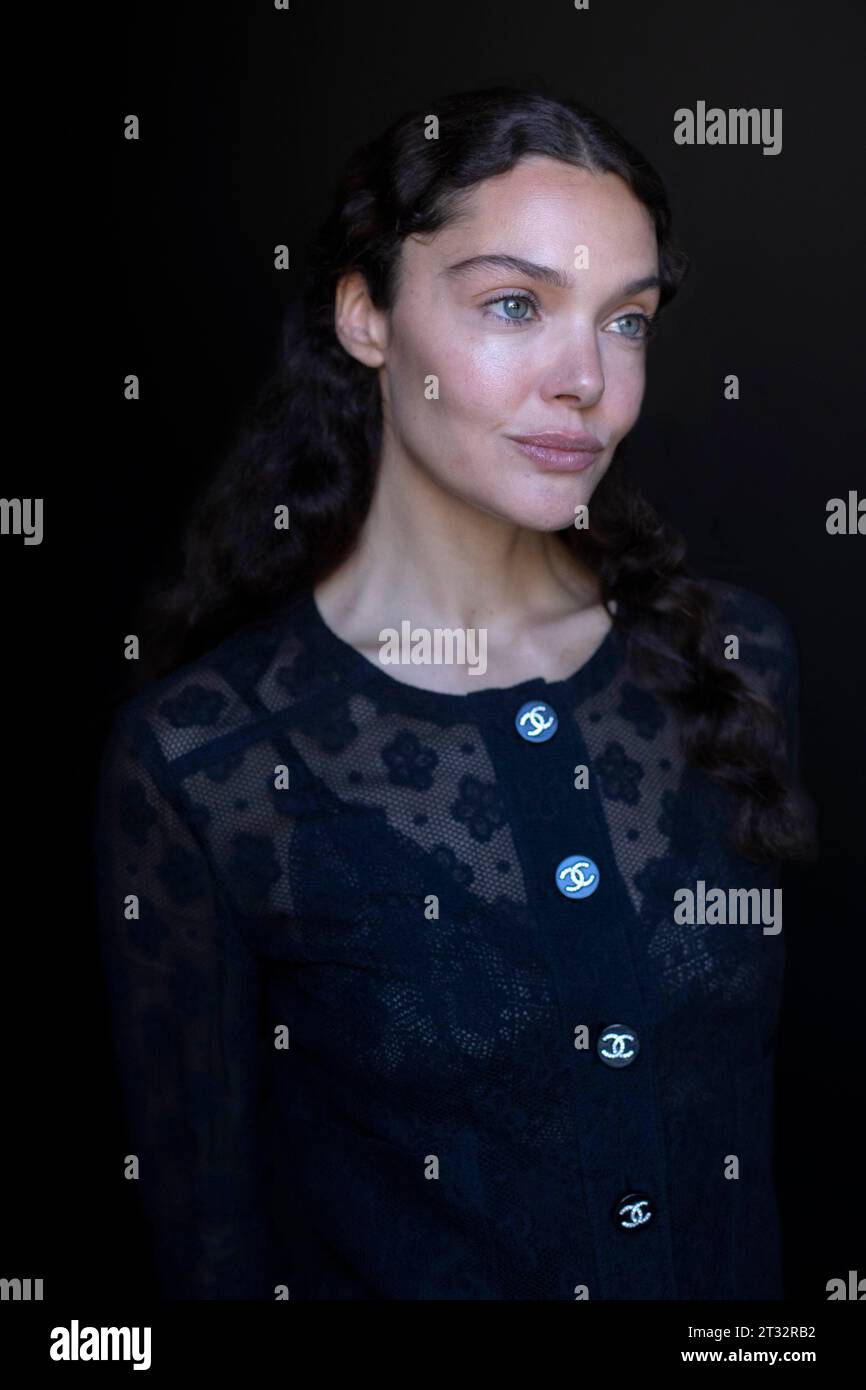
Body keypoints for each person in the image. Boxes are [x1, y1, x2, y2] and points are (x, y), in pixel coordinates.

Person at [93, 85, 817, 1300]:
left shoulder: (736, 655)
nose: (585, 380)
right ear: (366, 315)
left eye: (625, 320)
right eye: (514, 304)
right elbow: (205, 1256)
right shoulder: (205, 761)